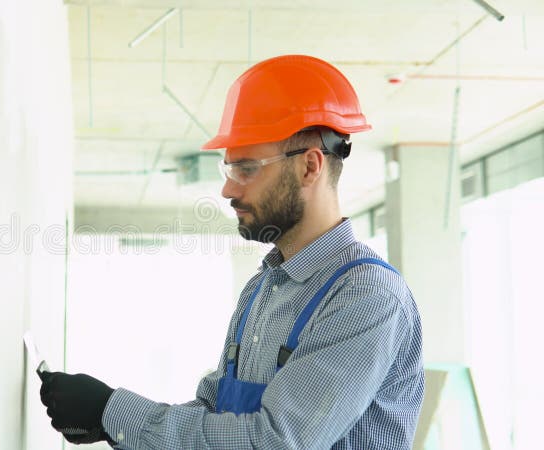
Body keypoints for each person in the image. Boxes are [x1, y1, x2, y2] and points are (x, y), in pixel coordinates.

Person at [39, 54, 424, 449]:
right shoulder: (263, 288)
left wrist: (111, 410)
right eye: (228, 169)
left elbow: (275, 442)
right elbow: (214, 416)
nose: (227, 189)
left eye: (247, 168)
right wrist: (109, 423)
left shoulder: (367, 296)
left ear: (310, 167)